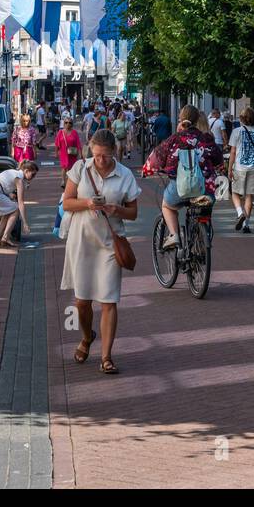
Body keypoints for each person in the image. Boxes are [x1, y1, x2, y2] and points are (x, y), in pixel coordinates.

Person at [60, 129, 140, 375]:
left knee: (109, 300)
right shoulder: (80, 168)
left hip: (110, 242)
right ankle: (86, 337)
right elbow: (66, 202)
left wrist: (117, 209)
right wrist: (86, 203)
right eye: (96, 156)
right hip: (81, 239)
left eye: (105, 156)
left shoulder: (125, 175)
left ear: (114, 152)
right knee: (82, 302)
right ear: (90, 151)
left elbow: (134, 212)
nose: (101, 161)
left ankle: (106, 357)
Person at [144, 104, 225, 251]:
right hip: (204, 188)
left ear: (181, 120)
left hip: (180, 188)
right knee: (204, 210)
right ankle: (203, 239)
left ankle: (174, 235)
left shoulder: (175, 139)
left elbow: (157, 158)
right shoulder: (206, 138)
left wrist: (147, 170)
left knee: (167, 206)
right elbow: (219, 160)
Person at [0, 159, 39, 247]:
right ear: (26, 171)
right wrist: (25, 223)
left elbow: (2, 182)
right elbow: (21, 203)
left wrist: (8, 194)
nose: (33, 177)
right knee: (15, 209)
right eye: (33, 174)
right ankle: (5, 237)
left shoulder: (13, 172)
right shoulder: (19, 180)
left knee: (8, 210)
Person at [227, 107, 254, 233]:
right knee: (249, 196)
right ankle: (246, 225)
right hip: (253, 167)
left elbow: (233, 152)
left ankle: (240, 213)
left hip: (239, 167)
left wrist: (229, 169)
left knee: (235, 193)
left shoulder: (236, 131)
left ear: (242, 119)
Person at [55, 115, 82, 187]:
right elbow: (57, 143)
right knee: (64, 167)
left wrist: (80, 153)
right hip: (63, 152)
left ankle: (70, 181)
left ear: (72, 124)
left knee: (71, 168)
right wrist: (56, 152)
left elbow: (78, 143)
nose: (68, 124)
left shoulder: (74, 132)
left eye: (70, 123)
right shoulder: (60, 132)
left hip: (72, 153)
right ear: (64, 123)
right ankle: (63, 181)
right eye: (66, 122)